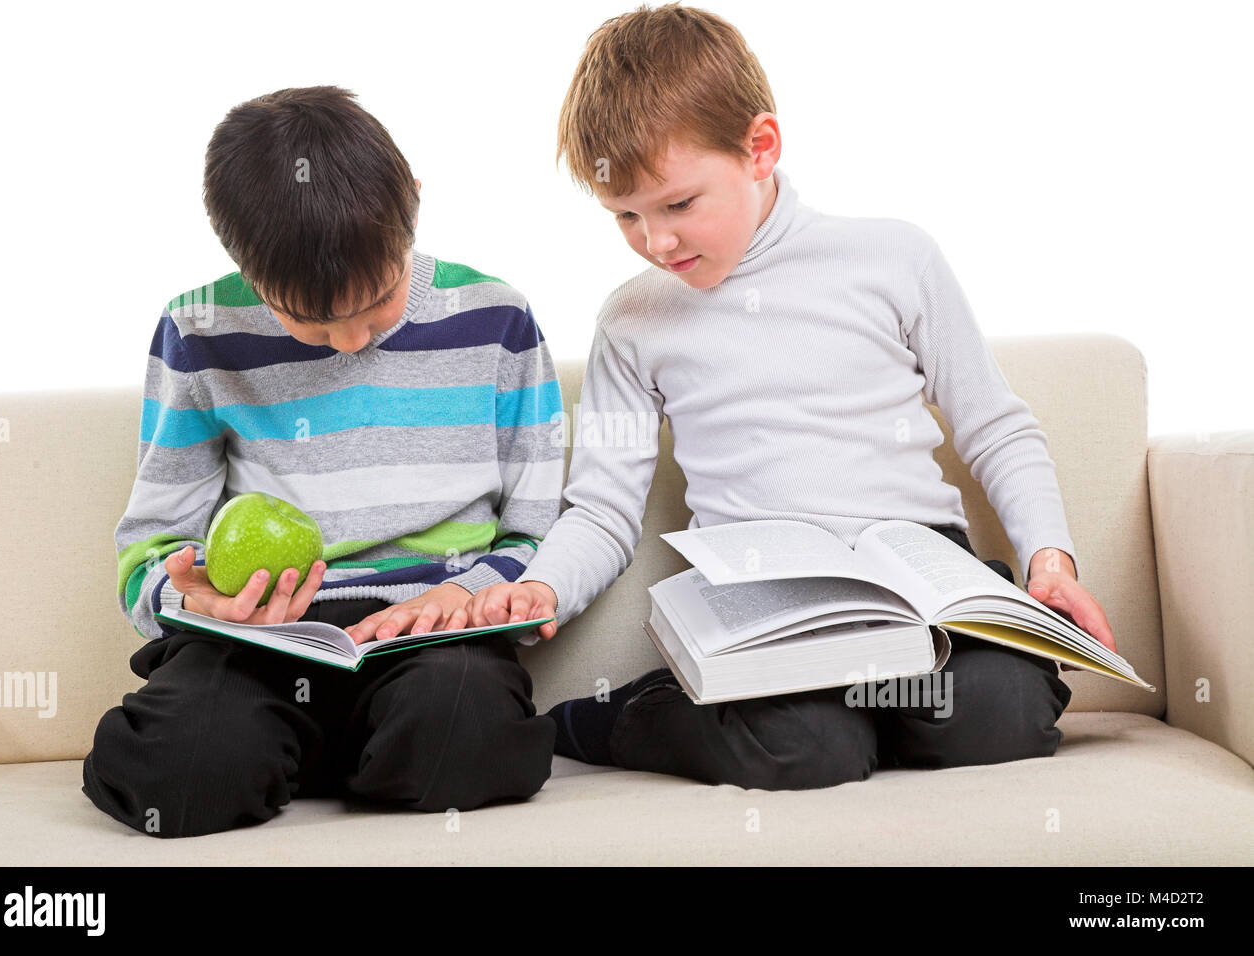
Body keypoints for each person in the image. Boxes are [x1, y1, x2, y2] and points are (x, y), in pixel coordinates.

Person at [462, 3, 1116, 791]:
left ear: (760, 148)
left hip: (920, 583)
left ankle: (877, 713)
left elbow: (996, 426)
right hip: (765, 601)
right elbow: (603, 505)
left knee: (1002, 716)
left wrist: (1049, 557)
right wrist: (542, 587)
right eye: (625, 217)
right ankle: (621, 716)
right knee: (807, 751)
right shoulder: (633, 319)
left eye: (678, 204)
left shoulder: (893, 256)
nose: (655, 243)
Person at [84, 86, 562, 837]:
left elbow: (536, 532)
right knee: (175, 773)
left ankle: (339, 751)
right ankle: (308, 751)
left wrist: (471, 595)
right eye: (309, 319)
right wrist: (192, 597)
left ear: (413, 206)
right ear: (243, 264)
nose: (350, 341)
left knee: (468, 734)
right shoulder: (198, 330)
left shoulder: (496, 318)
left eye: (378, 301)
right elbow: (150, 546)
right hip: (261, 643)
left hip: (430, 640)